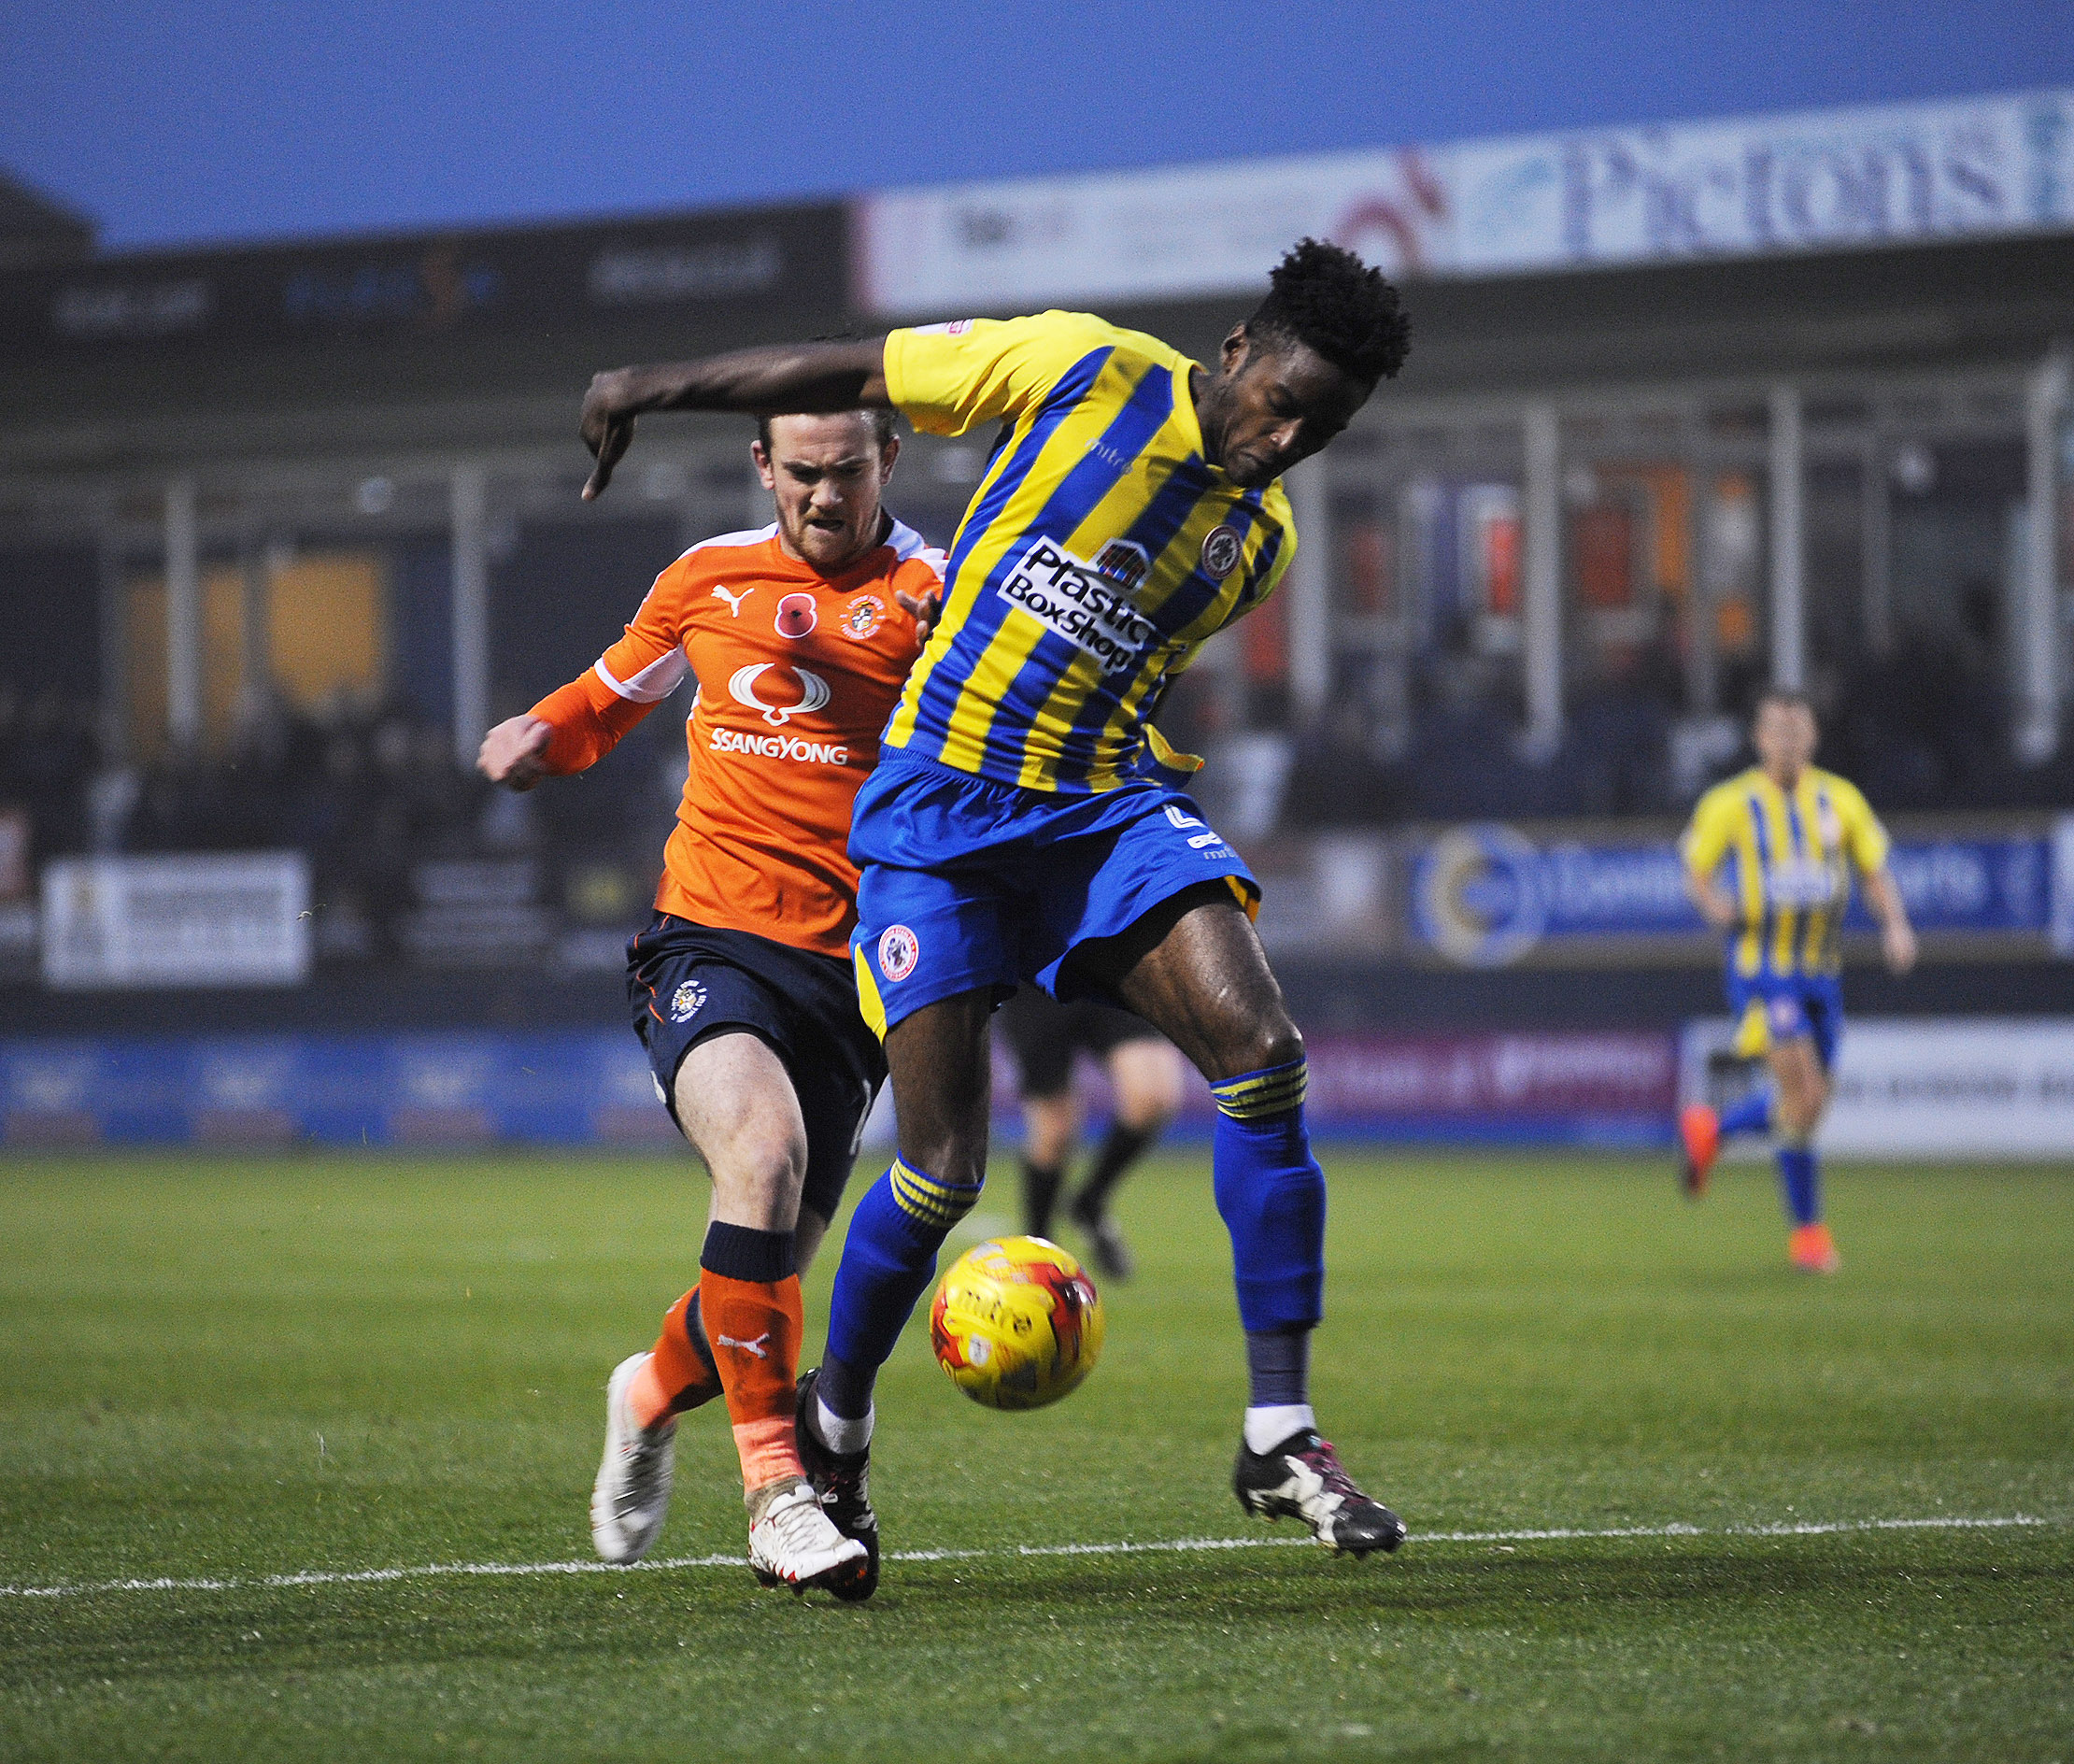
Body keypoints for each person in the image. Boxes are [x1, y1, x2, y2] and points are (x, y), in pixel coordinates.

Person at [579, 238, 1413, 1566]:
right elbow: (852, 369)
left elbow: (1125, 669)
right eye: (1286, 403)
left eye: (1328, 428)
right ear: (1238, 353)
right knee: (942, 1171)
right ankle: (836, 1429)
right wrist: (650, 384)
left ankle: (1280, 1431)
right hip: (939, 817)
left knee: (1265, 1054)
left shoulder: (1257, 544)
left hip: (1094, 811)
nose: (1291, 440)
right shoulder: (1087, 369)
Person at [479, 406, 943, 1597]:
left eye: (848, 470)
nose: (825, 495)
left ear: (889, 460)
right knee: (763, 1154)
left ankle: (645, 1392)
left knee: (768, 1262)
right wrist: (539, 734)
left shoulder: (937, 596)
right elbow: (606, 699)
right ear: (762, 466)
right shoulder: (704, 577)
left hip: (854, 977)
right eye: (803, 472)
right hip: (710, 937)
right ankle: (777, 1497)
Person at [1676, 687, 1917, 1272]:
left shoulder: (1841, 799)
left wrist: (1896, 925)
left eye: (1797, 731)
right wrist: (1715, 905)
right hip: (1763, 971)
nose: (1787, 742)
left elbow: (1874, 869)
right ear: (1760, 739)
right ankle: (1808, 1235)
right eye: (1777, 732)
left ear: (1812, 737)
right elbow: (1696, 868)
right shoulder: (1731, 803)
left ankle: (1715, 1129)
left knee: (1809, 1105)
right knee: (1801, 1093)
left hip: (1821, 974)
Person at [1001, 986, 1186, 1279]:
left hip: (1109, 971)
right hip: (1036, 983)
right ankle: (1037, 1251)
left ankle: (1090, 1201)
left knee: (1153, 1094)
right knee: (1054, 1133)